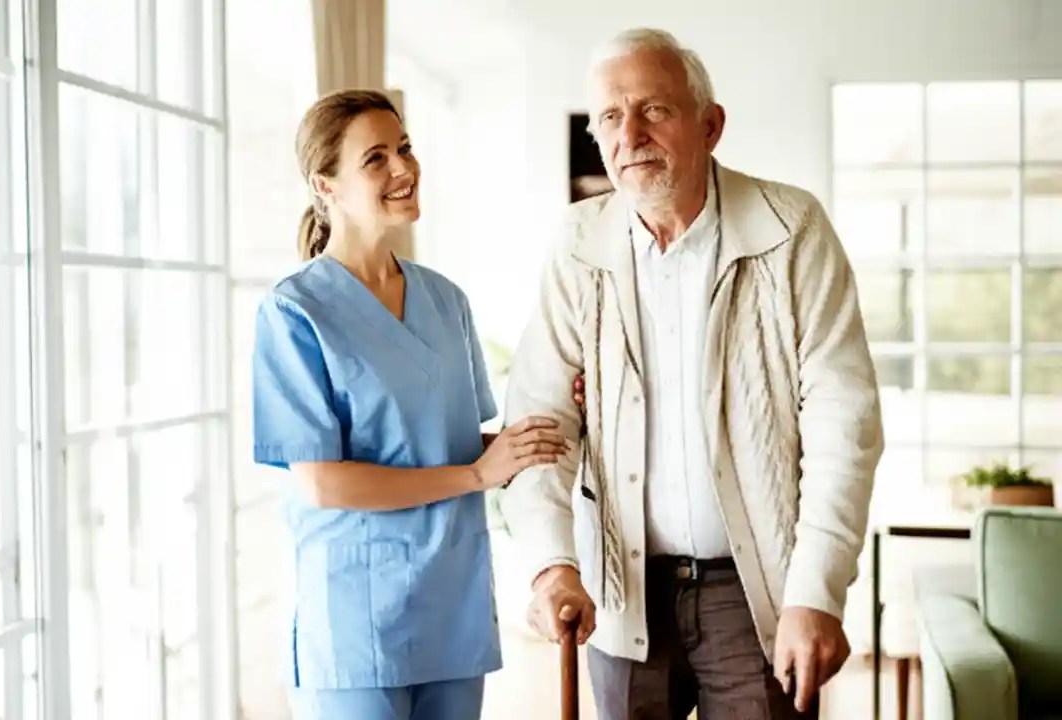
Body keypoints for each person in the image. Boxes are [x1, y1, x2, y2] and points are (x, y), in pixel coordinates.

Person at [500, 28, 884, 719]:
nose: (631, 134)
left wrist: (814, 592)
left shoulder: (791, 228)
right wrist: (551, 561)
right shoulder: (576, 244)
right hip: (621, 593)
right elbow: (540, 421)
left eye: (655, 109)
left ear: (710, 125)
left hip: (759, 590)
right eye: (611, 117)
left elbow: (844, 425)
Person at [251, 89, 569, 720]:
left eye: (405, 148)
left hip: (452, 608)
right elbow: (323, 482)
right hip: (354, 622)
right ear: (327, 184)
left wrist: (534, 434)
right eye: (376, 158)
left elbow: (451, 447)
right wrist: (479, 473)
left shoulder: (445, 301)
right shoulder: (295, 312)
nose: (403, 168)